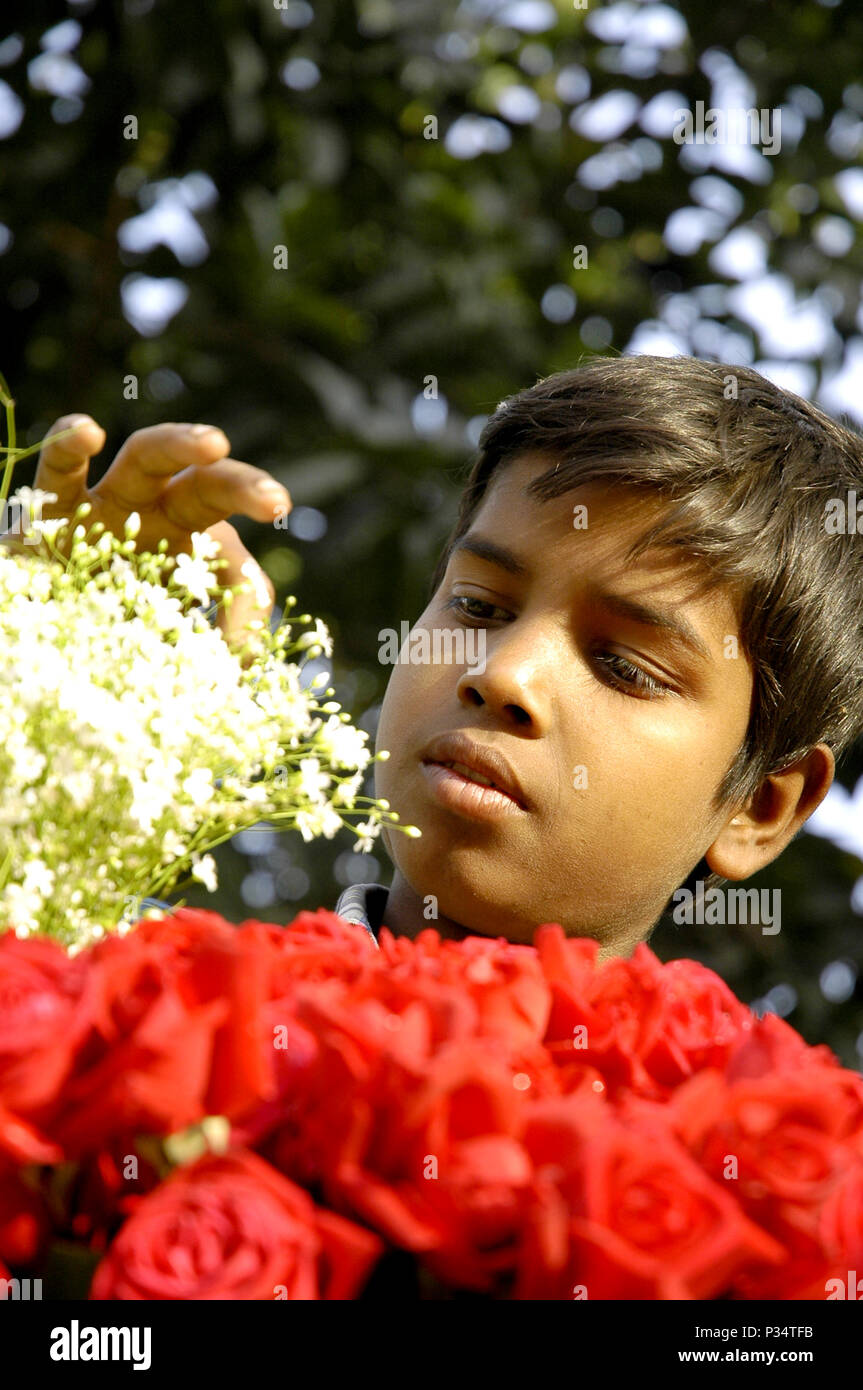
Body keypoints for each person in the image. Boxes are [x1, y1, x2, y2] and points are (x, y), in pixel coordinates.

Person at [26, 356, 863, 960]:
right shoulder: (138, 1017)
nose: (502, 675)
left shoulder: (764, 1173)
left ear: (759, 807)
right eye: (478, 607)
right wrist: (47, 696)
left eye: (625, 667)